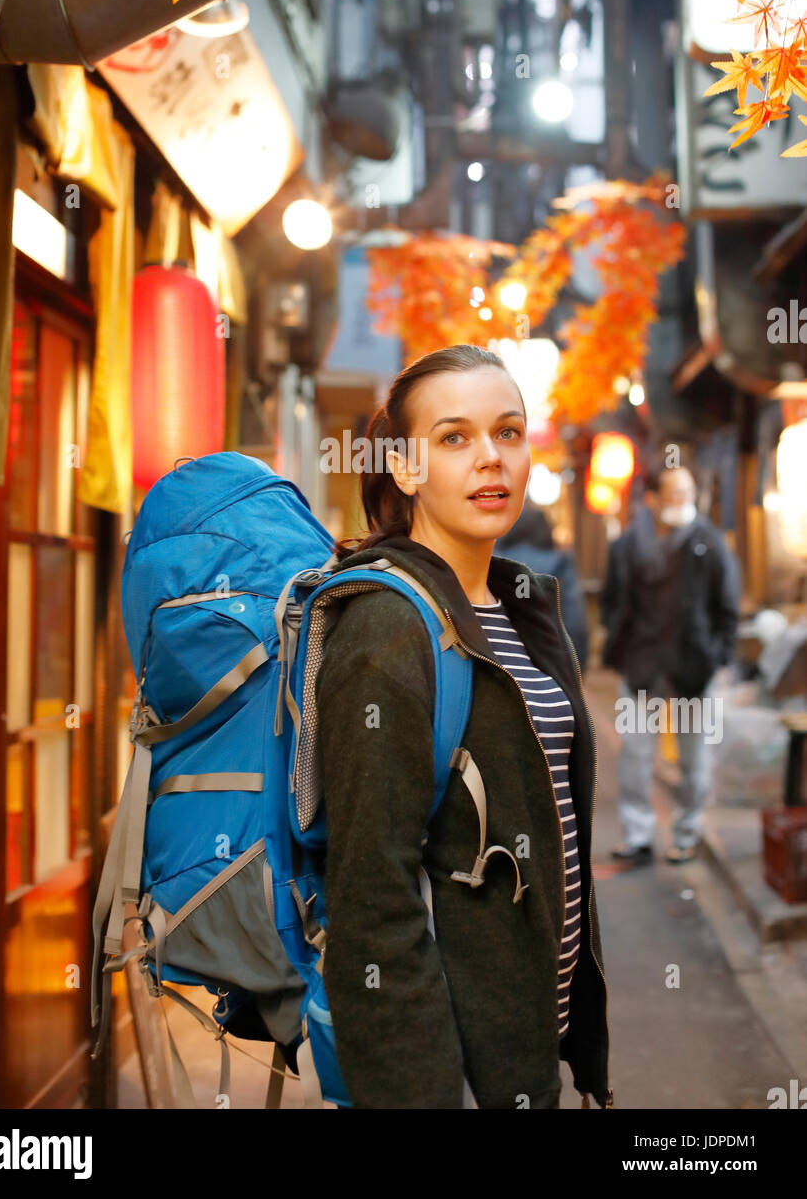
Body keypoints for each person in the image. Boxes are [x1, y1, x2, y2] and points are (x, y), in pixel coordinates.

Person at [315, 343, 612, 1109]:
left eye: (508, 433)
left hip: (527, 1048)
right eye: (455, 438)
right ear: (407, 468)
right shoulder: (387, 629)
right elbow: (371, 904)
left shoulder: (517, 607)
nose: (492, 459)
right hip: (459, 1074)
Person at [600, 463, 741, 868]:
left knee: (695, 759)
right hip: (641, 665)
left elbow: (727, 607)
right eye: (674, 494)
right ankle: (638, 834)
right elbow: (613, 602)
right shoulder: (626, 546)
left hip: (693, 668)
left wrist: (716, 657)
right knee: (635, 755)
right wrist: (620, 644)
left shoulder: (709, 544)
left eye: (688, 493)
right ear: (652, 499)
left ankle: (687, 832)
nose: (683, 502)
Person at [496, 504, 589, 672]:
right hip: (550, 661)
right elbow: (575, 621)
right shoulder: (560, 563)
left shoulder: (494, 561)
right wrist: (577, 668)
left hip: (500, 661)